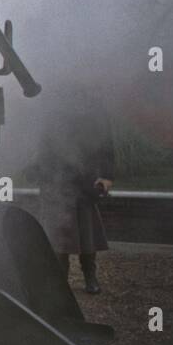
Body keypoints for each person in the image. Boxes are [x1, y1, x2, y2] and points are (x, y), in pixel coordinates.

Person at [37, 85, 116, 294]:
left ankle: (90, 277)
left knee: (87, 235)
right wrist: (42, 172)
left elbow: (106, 146)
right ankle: (60, 281)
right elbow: (43, 145)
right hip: (56, 180)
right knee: (59, 236)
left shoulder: (95, 110)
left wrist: (107, 176)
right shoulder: (53, 110)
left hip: (85, 181)